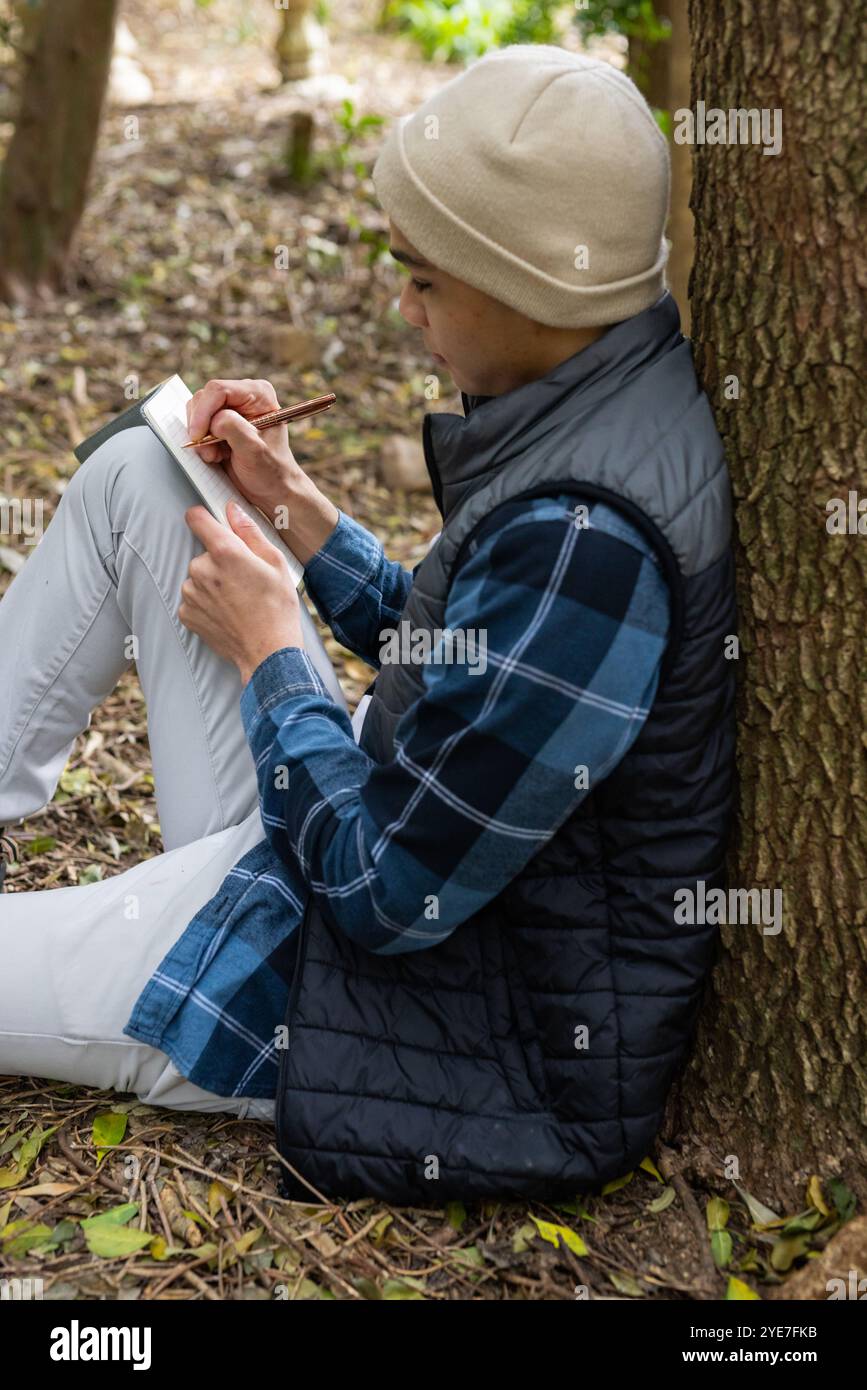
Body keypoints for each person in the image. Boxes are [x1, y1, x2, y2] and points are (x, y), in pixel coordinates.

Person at [0, 45, 736, 1203]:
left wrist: (275, 655)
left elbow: (387, 895)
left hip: (408, 1016)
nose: (404, 308)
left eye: (426, 279)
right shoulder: (601, 394)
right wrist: (291, 510)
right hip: (360, 846)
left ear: (530, 285)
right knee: (146, 478)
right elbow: (474, 674)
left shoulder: (588, 539)